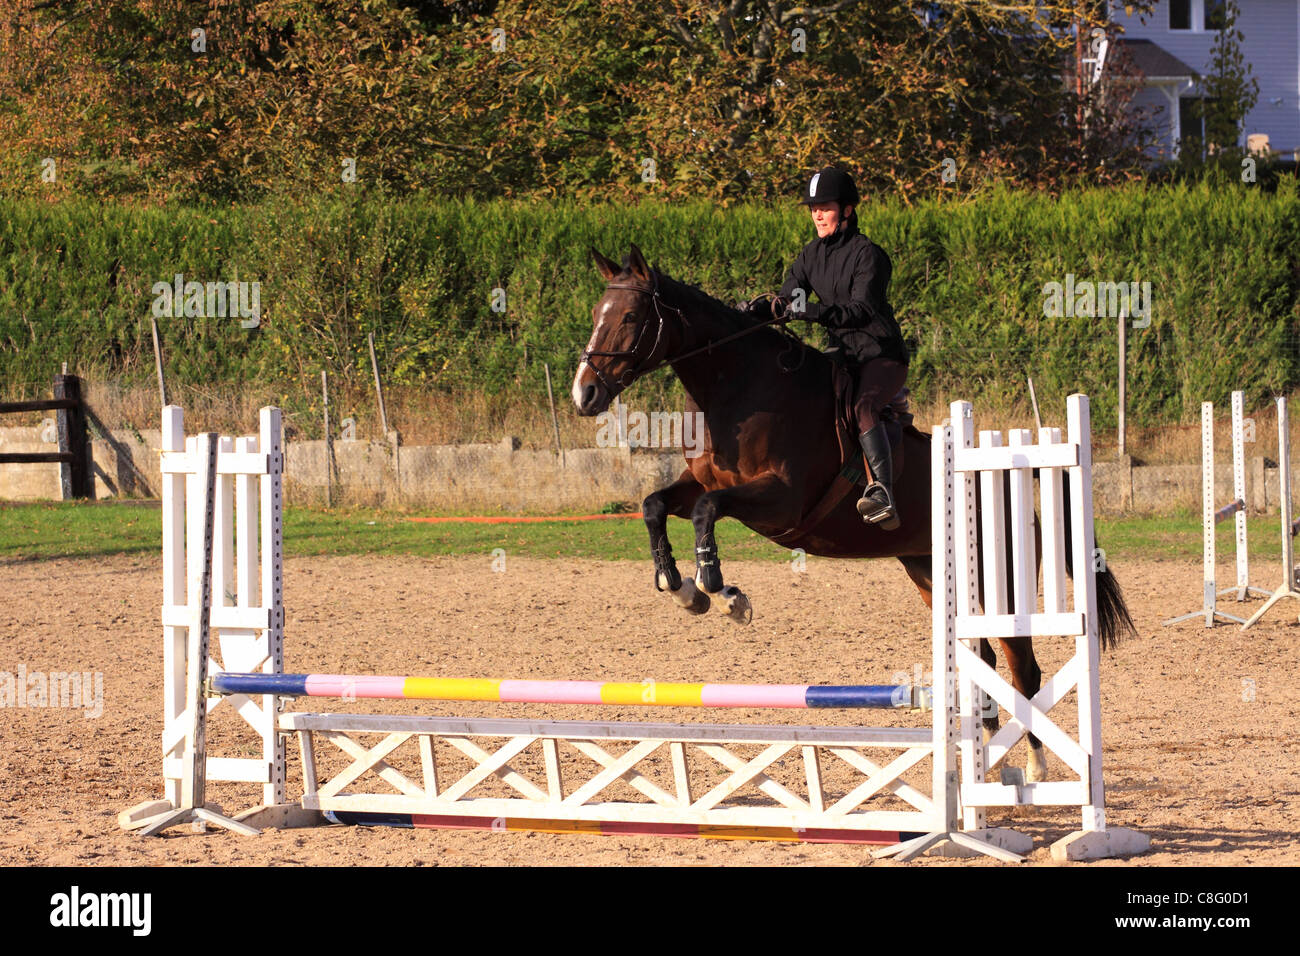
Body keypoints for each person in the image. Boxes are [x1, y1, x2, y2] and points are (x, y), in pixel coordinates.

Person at [746, 166, 909, 528]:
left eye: (825, 206)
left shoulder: (870, 255)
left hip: (881, 355)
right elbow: (789, 296)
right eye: (813, 208)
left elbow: (861, 310)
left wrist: (811, 311)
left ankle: (882, 491)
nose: (817, 214)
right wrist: (757, 310)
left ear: (847, 209)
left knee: (863, 406)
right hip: (843, 356)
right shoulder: (810, 255)